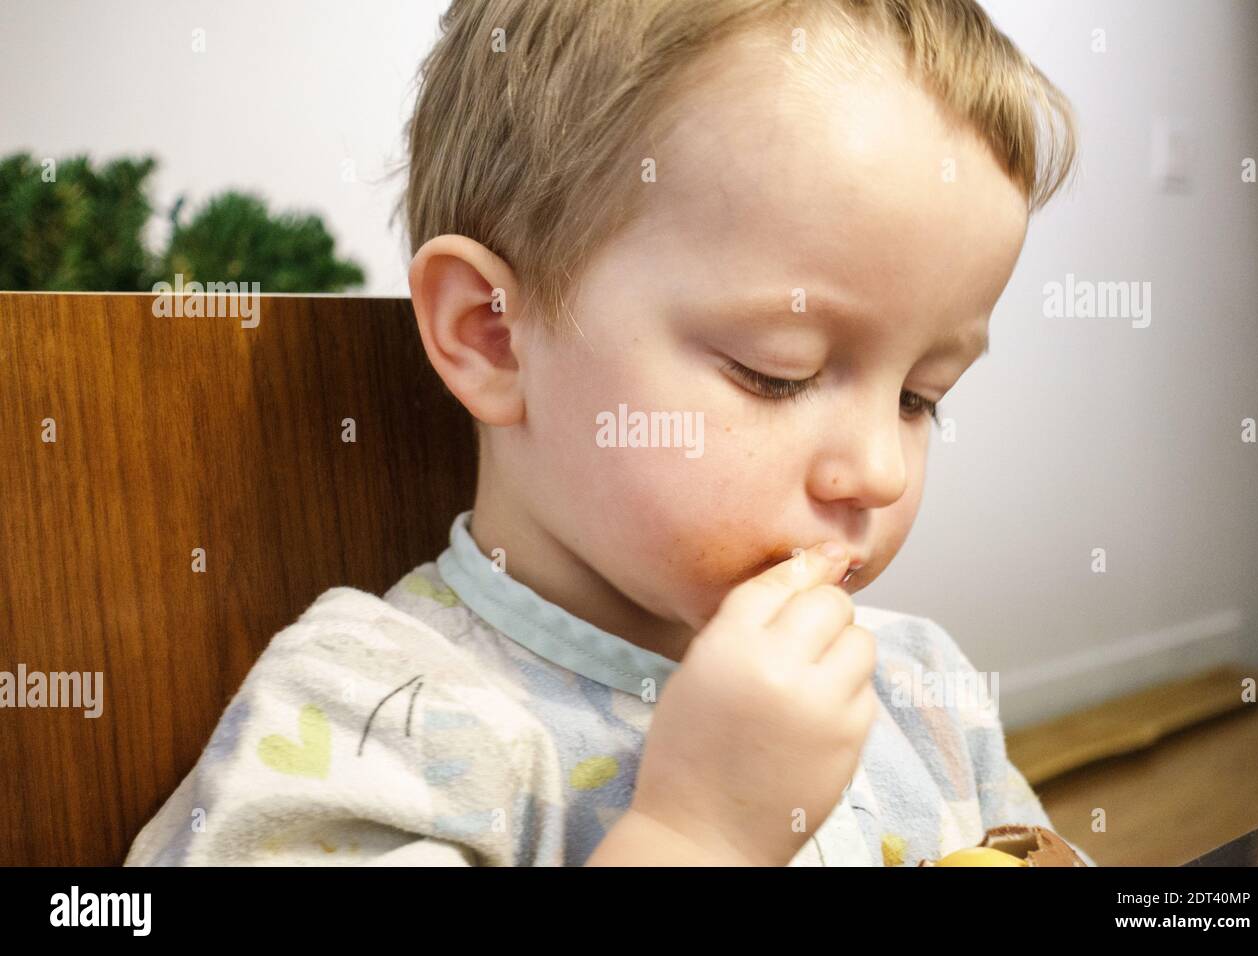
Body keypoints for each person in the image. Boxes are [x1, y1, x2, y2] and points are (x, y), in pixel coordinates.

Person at [126, 0, 1088, 866]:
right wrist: (695, 835)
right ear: (494, 335)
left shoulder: (920, 687)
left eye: (921, 397)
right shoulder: (381, 719)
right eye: (776, 371)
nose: (878, 471)